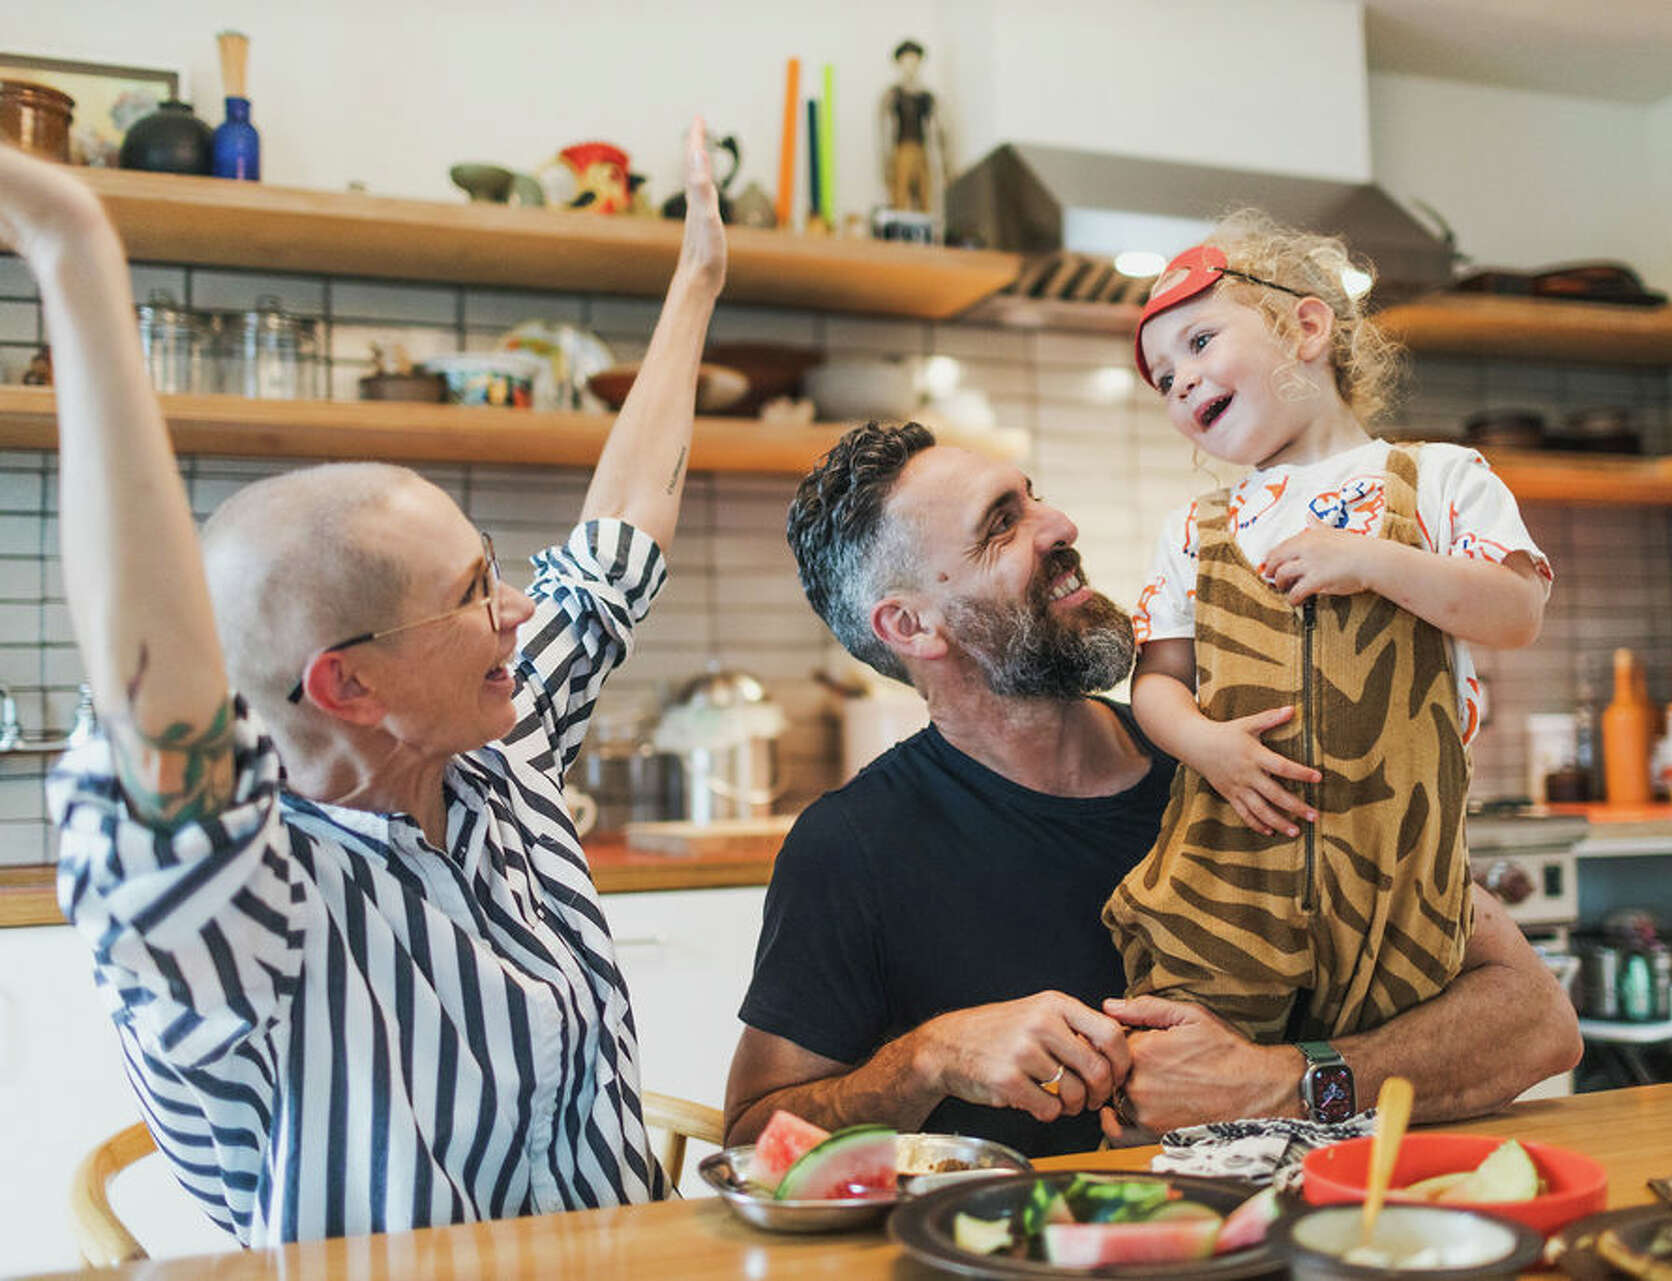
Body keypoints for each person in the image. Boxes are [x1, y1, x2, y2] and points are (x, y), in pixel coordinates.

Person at [2, 120, 725, 1245]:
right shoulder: (247, 914)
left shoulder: (497, 738)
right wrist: (74, 256)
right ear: (347, 687)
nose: (522, 611)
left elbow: (615, 545)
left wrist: (697, 280)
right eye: (479, 588)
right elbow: (164, 734)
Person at [723, 420, 1579, 1158]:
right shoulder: (854, 848)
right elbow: (755, 1139)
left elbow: (1538, 1018)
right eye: (1001, 525)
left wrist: (1286, 1082)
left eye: (1034, 496)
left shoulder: (1240, 755)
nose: (1059, 524)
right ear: (911, 627)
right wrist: (927, 1058)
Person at [1108, 216, 1554, 1049]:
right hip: (1231, 877)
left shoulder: (1440, 477)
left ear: (1306, 327)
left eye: (1201, 341)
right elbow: (1157, 679)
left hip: (1398, 883)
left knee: (1389, 1106)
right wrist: (1204, 745)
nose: (1184, 382)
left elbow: (1515, 611)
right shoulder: (1193, 529)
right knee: (1206, 1103)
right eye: (1165, 379)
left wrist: (1377, 560)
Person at [879, 39, 950, 214]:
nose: (910, 66)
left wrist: (945, 163)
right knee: (900, 199)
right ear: (899, 64)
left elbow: (938, 130)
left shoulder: (927, 96)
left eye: (914, 61)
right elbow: (884, 131)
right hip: (901, 150)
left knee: (925, 199)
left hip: (922, 150)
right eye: (906, 61)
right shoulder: (892, 95)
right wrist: (885, 161)